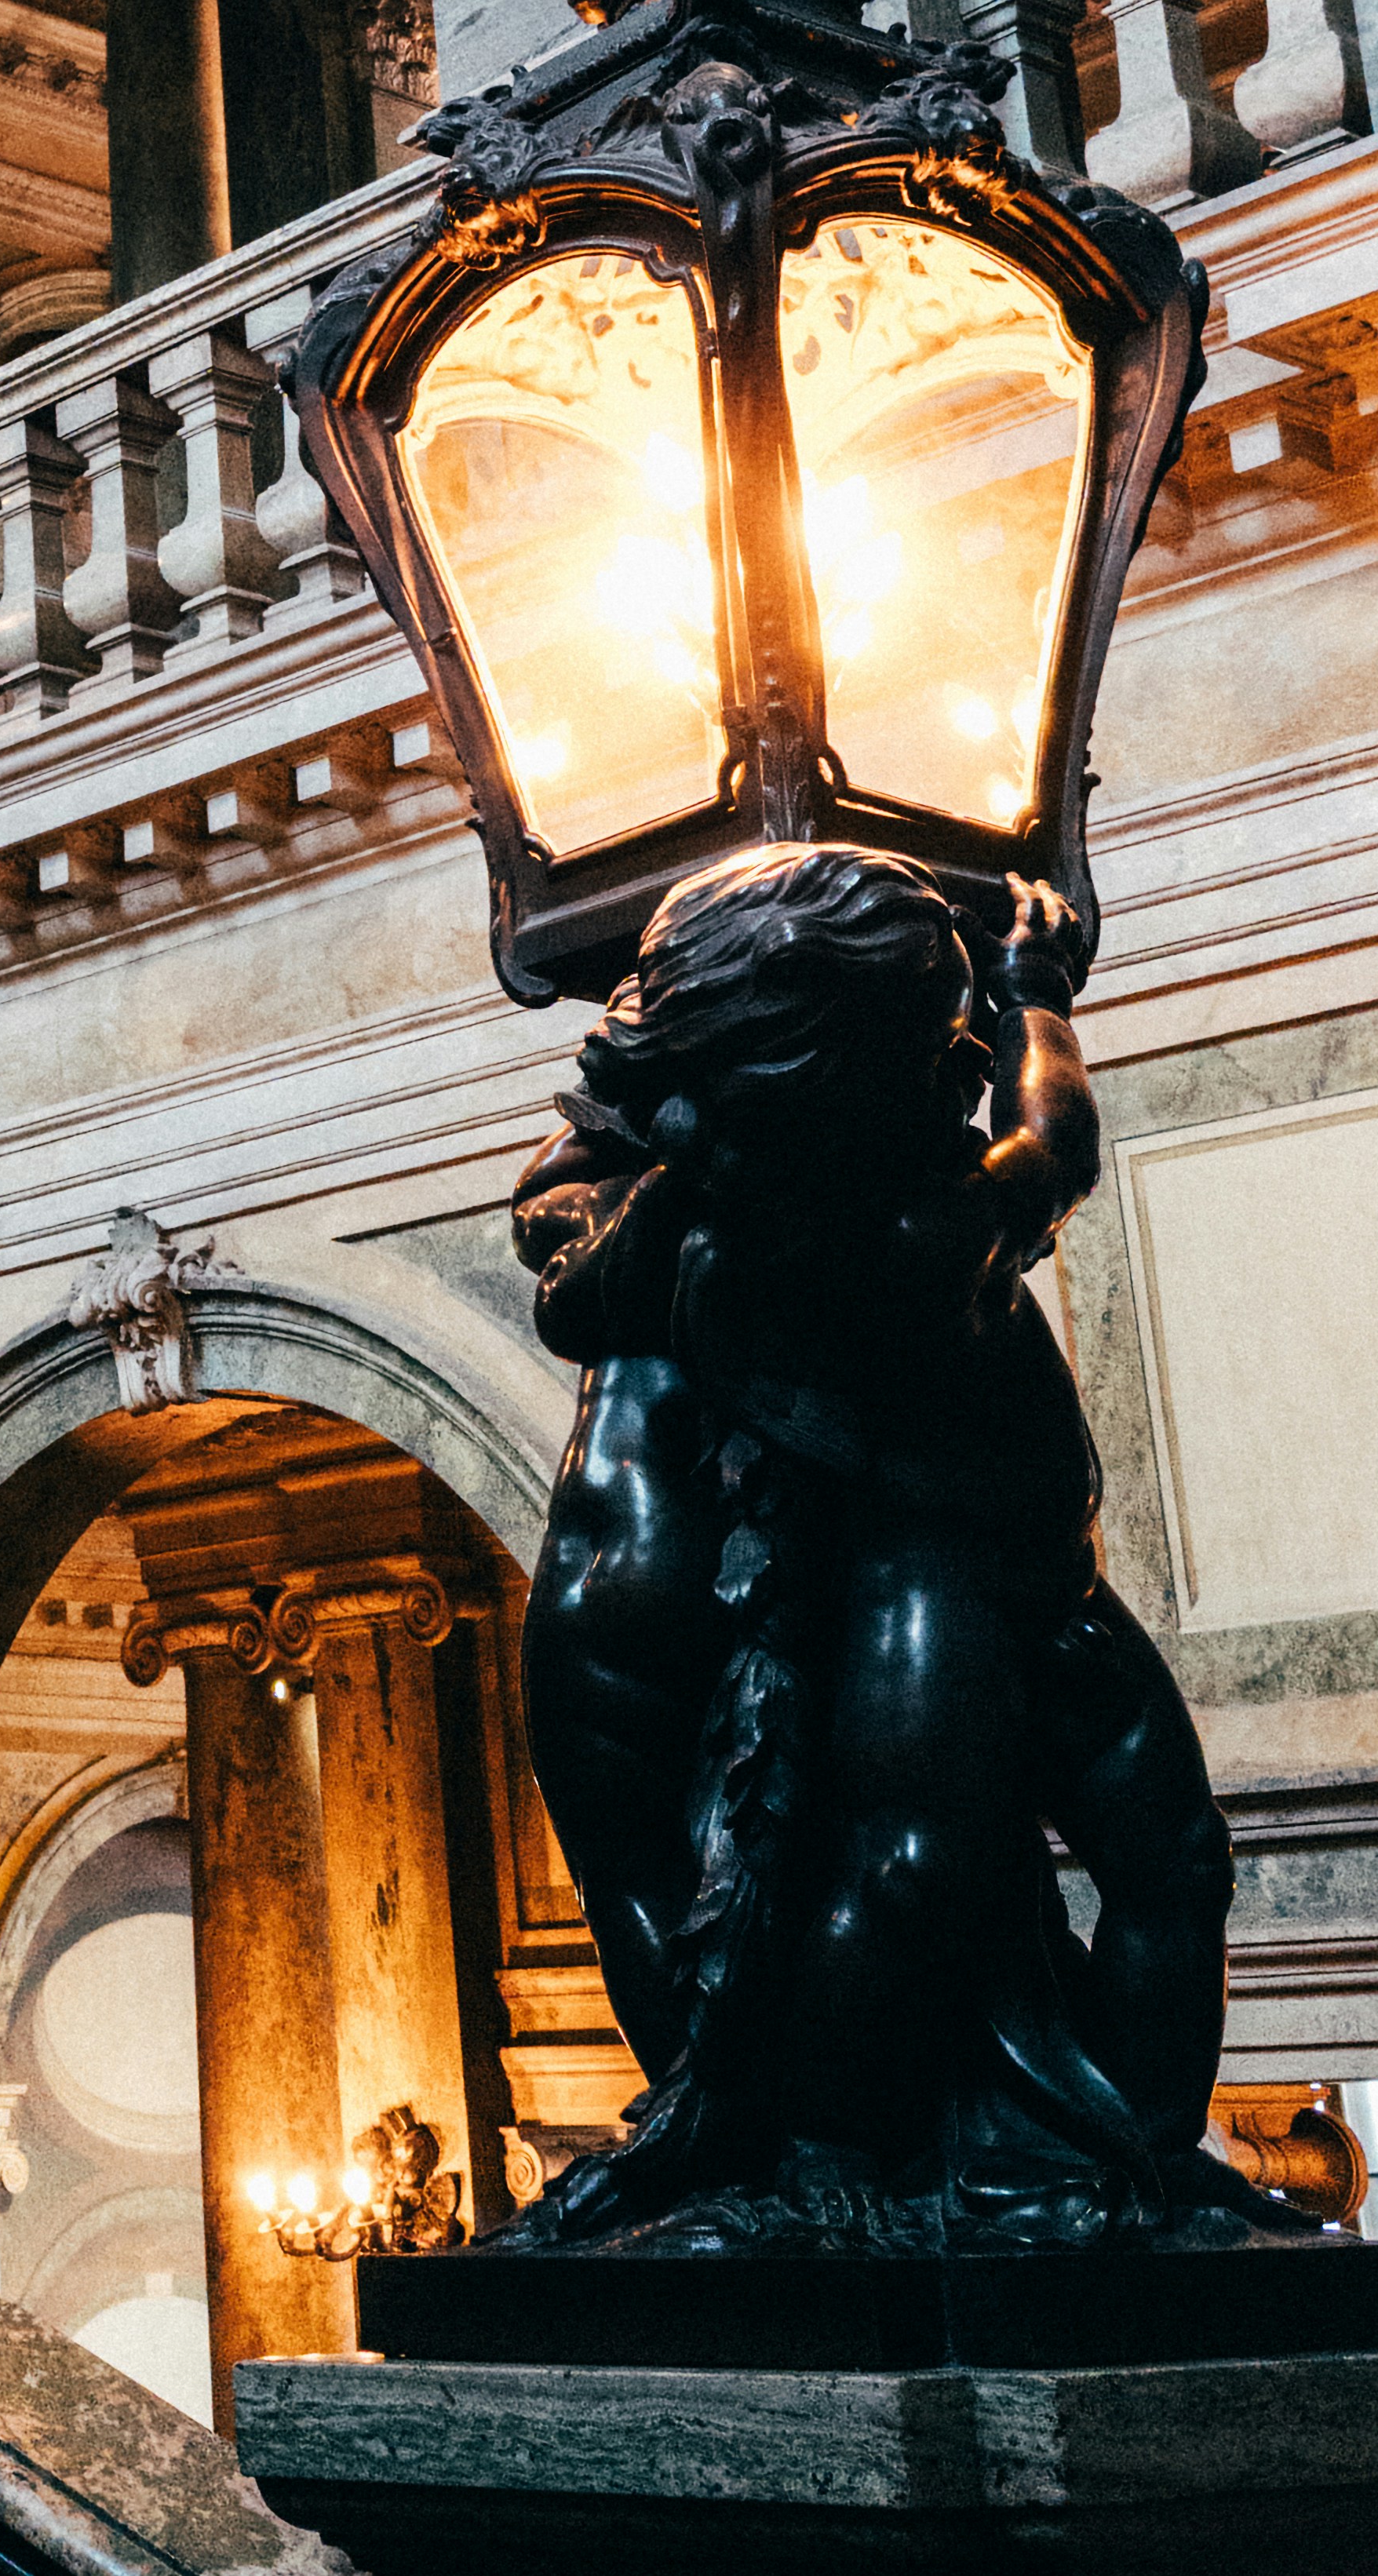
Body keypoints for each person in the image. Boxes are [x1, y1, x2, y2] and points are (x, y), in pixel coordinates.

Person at [505, 836, 1251, 2246]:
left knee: (919, 1867)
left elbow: (568, 1221)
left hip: (935, 1578)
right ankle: (913, 2140)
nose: (961, 1053)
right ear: (845, 1081)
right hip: (976, 1574)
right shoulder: (902, 1225)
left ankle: (1080, 2150)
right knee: (1054, 1859)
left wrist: (673, 1082)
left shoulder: (676, 1225)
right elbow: (1058, 1147)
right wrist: (1039, 992)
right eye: (936, 1037)